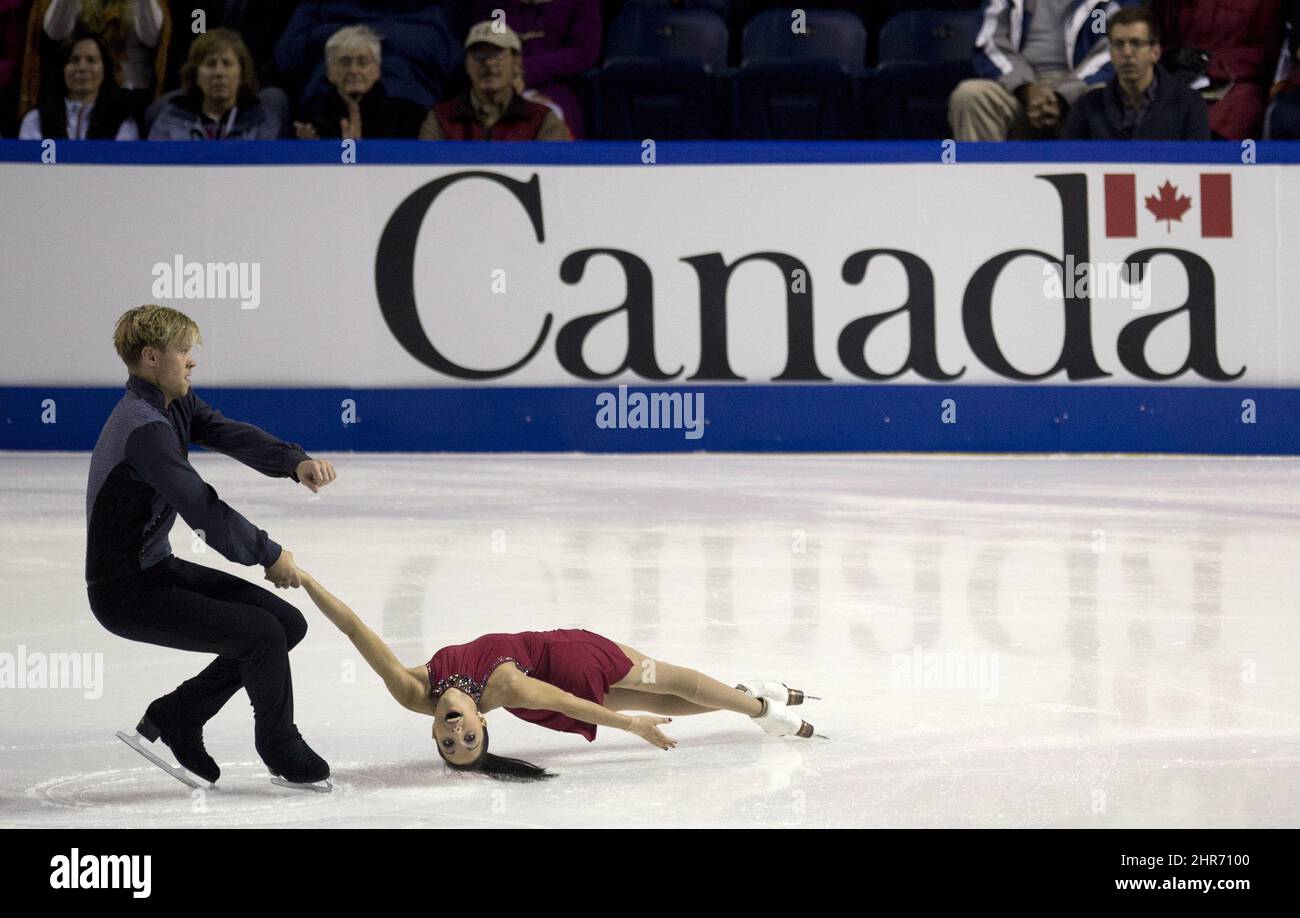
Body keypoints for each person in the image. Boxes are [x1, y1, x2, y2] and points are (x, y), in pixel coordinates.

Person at [86, 305, 337, 790]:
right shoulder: (144, 429)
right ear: (152, 358)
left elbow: (223, 430)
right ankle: (279, 745)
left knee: (286, 624)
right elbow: (202, 509)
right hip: (123, 592)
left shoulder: (171, 402)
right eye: (183, 352)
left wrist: (293, 463)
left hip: (155, 570)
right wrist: (268, 553)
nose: (191, 362)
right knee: (262, 634)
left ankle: (177, 715)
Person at [296, 570, 820, 780]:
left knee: (669, 684)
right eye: (469, 739)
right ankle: (758, 707)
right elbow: (568, 704)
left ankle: (756, 701)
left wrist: (302, 577)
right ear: (483, 721)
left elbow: (353, 629)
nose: (457, 732)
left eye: (450, 741)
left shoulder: (413, 691)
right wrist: (633, 725)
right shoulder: (504, 688)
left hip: (565, 661)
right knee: (667, 689)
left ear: (433, 731)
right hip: (564, 669)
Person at [950, 0, 1141, 141]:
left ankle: (1099, 188)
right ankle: (984, 188)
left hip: (1080, 92)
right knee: (971, 95)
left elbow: (1113, 51)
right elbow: (989, 41)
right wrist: (1026, 88)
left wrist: (1062, 95)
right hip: (1019, 89)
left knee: (1101, 97)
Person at [1062, 7, 1210, 139]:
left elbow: (1198, 163)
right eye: (1119, 44)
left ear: (1155, 52)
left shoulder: (1189, 104)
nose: (1127, 53)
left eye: (1136, 43)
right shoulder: (1089, 106)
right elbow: (1067, 160)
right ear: (1111, 53)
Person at [419, 20, 572, 141]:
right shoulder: (440, 118)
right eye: (479, 55)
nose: (488, 63)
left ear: (517, 63)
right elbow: (423, 172)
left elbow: (558, 175)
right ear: (466, 64)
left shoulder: (542, 119)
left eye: (497, 54)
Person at [292, 23, 424, 139]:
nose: (354, 70)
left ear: (377, 70)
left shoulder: (405, 117)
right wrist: (311, 149)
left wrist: (358, 151)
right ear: (330, 72)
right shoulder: (309, 120)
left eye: (363, 62)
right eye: (345, 62)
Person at [147, 27, 283, 139]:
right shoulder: (171, 118)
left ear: (242, 73)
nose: (219, 73)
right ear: (195, 74)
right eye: (210, 64)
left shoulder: (262, 119)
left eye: (227, 63)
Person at [18, 28, 138, 138]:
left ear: (105, 69)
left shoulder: (123, 122)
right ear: (63, 69)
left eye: (91, 60)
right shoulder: (36, 120)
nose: (82, 67)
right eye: (74, 60)